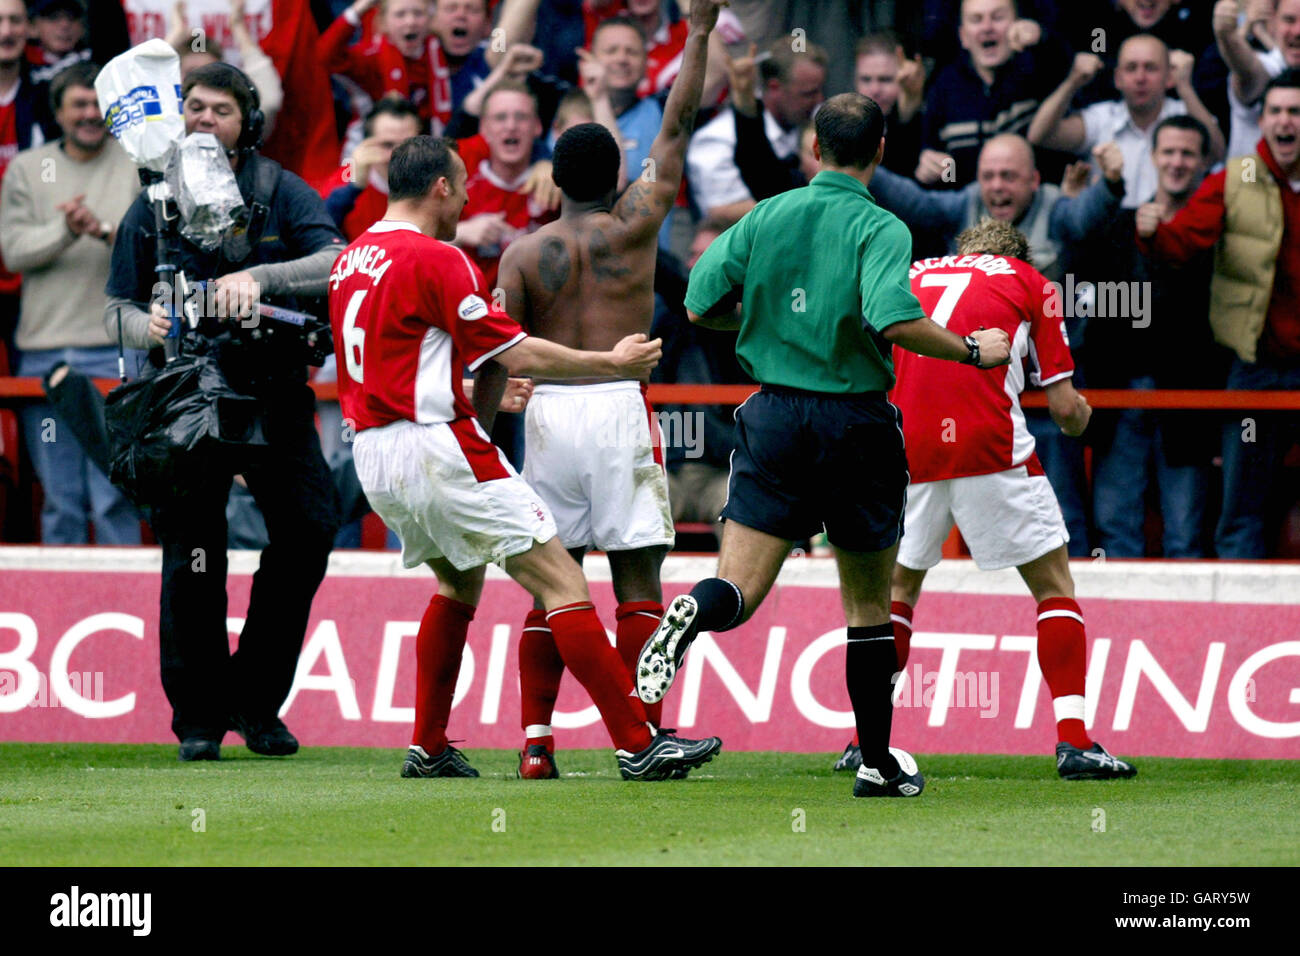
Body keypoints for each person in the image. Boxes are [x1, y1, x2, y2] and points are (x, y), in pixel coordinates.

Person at [635, 92, 1014, 799]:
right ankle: (875, 762)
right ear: (879, 150)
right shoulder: (882, 225)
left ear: (814, 146)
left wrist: (766, 326)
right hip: (854, 423)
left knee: (740, 591)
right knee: (868, 609)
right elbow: (895, 320)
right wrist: (972, 349)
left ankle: (694, 608)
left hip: (772, 416)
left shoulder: (766, 213)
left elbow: (698, 305)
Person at [328, 133, 721, 781]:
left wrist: (470, 390)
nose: (466, 198)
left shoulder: (354, 257)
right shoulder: (440, 257)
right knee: (563, 583)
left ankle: (427, 747)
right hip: (435, 445)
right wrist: (610, 361)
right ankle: (637, 742)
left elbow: (405, 352)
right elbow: (520, 351)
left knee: (457, 582)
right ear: (440, 189)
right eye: (462, 184)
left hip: (375, 450)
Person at [494, 0, 722, 779]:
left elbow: (503, 357)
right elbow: (680, 123)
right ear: (619, 175)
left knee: (549, 587)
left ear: (553, 178)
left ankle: (534, 743)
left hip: (550, 420)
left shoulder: (523, 255)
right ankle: (646, 735)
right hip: (619, 406)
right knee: (637, 580)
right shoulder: (638, 220)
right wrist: (696, 33)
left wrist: (505, 405)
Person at [836, 218, 1139, 781]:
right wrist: (1083, 422)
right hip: (989, 444)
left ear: (963, 250)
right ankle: (1074, 742)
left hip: (905, 448)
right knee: (1053, 587)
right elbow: (1066, 408)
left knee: (897, 592)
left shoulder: (910, 271)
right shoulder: (1032, 282)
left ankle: (863, 741)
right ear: (1018, 255)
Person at [103, 62, 347, 761]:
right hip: (180, 400)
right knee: (193, 555)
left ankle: (255, 699)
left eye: (220, 110)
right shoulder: (150, 203)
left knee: (309, 530)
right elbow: (113, 307)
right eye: (195, 108)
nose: (204, 120)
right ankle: (201, 719)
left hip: (271, 390)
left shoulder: (279, 188)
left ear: (248, 125)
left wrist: (257, 278)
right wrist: (141, 326)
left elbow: (336, 262)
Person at [1138, 70, 1300, 559]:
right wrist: (1153, 234)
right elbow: (1181, 242)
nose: (1284, 121)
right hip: (1256, 366)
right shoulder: (1240, 175)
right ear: (1263, 120)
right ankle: (1243, 622)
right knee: (1241, 507)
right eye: (1274, 111)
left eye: (1295, 111)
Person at [0, 62, 140, 544]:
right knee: (59, 497)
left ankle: (126, 603)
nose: (90, 114)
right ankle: (61, 611)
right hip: (46, 355)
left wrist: (100, 230)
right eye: (78, 104)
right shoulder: (27, 167)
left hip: (116, 351)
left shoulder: (133, 161)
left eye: (99, 104)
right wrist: (66, 228)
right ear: (57, 113)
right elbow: (13, 252)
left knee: (114, 495)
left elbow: (149, 247)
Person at [1087, 116, 1226, 558]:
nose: (1177, 162)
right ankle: (1116, 628)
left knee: (1186, 534)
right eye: (1168, 152)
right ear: (1152, 157)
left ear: (1205, 161)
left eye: (1188, 153)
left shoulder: (1219, 232)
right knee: (1114, 528)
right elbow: (1098, 309)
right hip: (1119, 396)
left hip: (1189, 399)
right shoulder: (1119, 224)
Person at [1028, 36, 1225, 207]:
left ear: (1169, 76)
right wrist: (1073, 81)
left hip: (1172, 235)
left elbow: (1217, 154)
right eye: (1131, 68)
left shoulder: (1187, 115)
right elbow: (1040, 135)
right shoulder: (1101, 118)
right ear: (1117, 78)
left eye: (1151, 68)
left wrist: (1185, 87)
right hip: (1108, 238)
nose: (1140, 78)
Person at [686, 35, 826, 224]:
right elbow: (718, 213)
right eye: (808, 93)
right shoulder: (718, 138)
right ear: (775, 87)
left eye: (819, 90)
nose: (819, 100)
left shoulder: (813, 124)